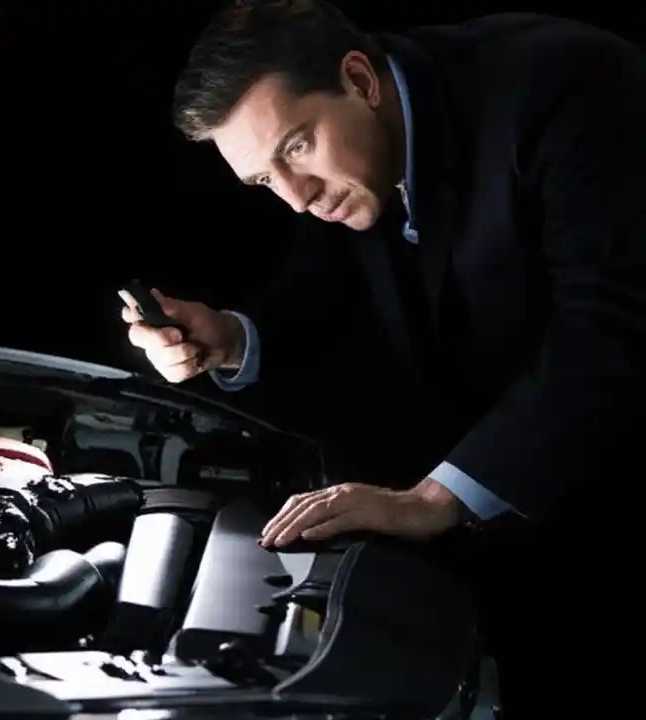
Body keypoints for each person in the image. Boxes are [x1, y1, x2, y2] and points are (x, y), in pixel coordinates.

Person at [122, 0, 646, 714]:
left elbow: (608, 334)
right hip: (516, 510)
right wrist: (231, 338)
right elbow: (325, 289)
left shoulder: (567, 87)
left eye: (296, 147)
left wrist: (433, 501)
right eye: (264, 181)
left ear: (361, 79)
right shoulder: (345, 157)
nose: (297, 198)